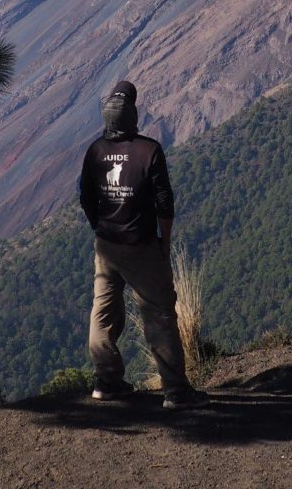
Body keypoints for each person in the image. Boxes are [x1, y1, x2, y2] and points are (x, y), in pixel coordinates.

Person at [79, 80, 209, 410]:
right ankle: (176, 392)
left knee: (103, 311)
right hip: (141, 245)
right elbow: (164, 202)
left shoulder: (95, 151)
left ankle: (107, 382)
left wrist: (100, 227)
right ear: (133, 115)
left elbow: (86, 197)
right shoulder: (148, 150)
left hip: (107, 246)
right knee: (160, 314)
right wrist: (164, 241)